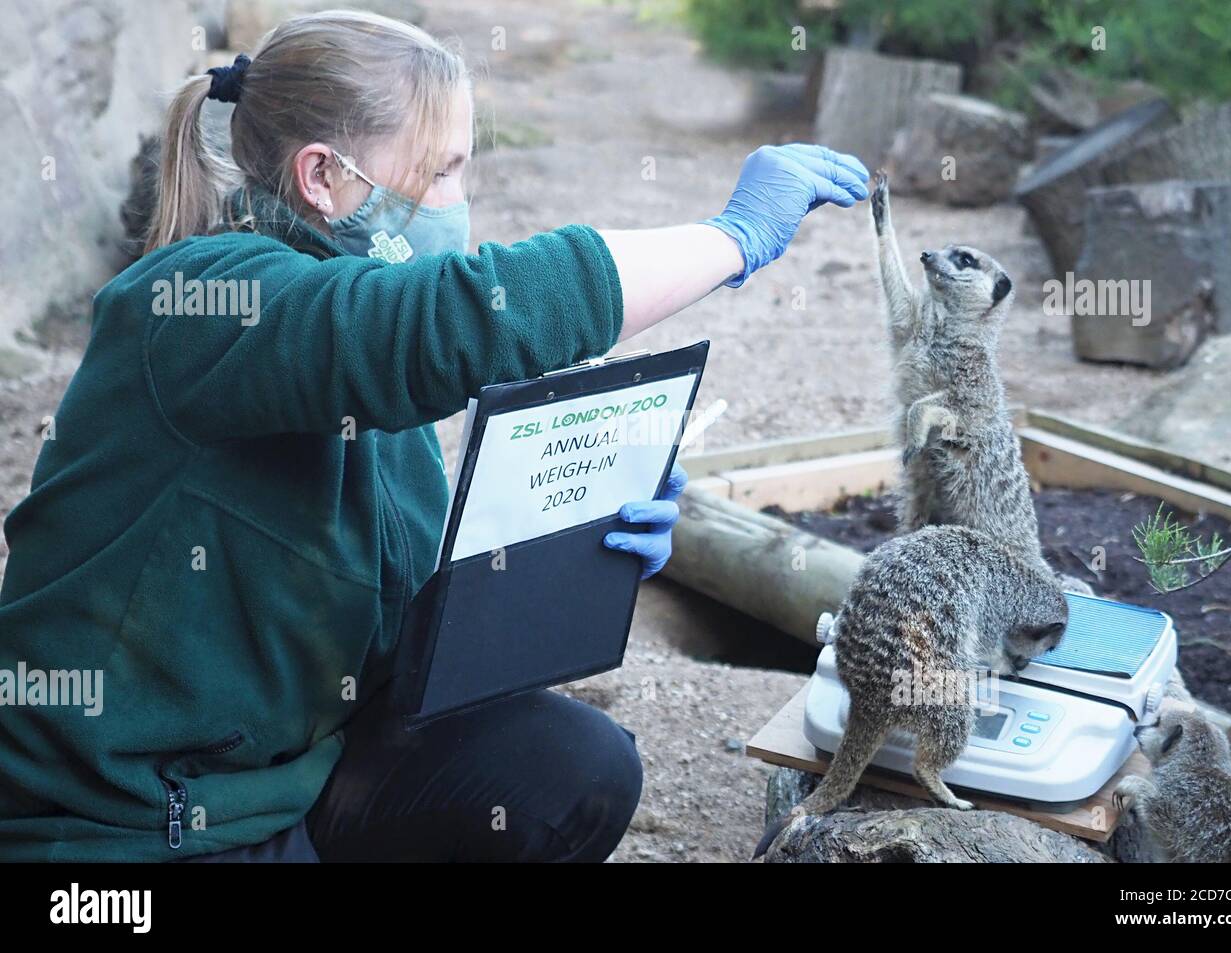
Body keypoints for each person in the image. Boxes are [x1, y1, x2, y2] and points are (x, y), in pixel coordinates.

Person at [0, 10, 870, 862]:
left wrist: (571, 550)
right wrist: (733, 238)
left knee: (572, 766)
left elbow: (411, 658)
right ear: (323, 177)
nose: (461, 205)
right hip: (115, 825)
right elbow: (452, 322)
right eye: (445, 171)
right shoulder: (198, 302)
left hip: (285, 784)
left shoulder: (373, 386)